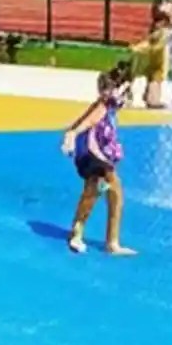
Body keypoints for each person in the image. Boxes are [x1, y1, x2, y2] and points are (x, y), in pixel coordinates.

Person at [61, 68, 137, 256]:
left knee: (100, 192)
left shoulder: (108, 106)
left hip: (96, 156)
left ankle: (91, 236)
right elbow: (87, 122)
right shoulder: (103, 106)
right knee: (103, 192)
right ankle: (96, 239)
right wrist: (71, 135)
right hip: (94, 157)